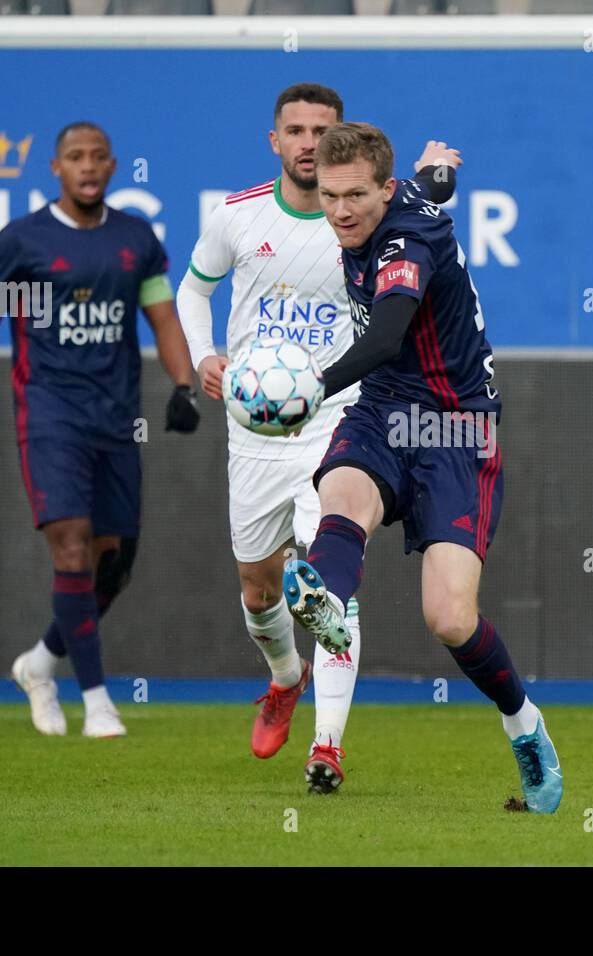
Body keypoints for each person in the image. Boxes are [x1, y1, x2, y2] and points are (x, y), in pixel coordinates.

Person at [176, 83, 459, 792]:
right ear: (275, 140)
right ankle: (284, 677)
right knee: (257, 587)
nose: (308, 142)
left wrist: (432, 178)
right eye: (295, 130)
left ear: (342, 144)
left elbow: (409, 212)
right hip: (253, 433)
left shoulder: (362, 221)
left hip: (337, 420)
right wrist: (204, 356)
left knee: (334, 582)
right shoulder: (236, 218)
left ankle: (326, 746)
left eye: (321, 130)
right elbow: (191, 290)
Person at [282, 122, 562, 812]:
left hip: (455, 427)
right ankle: (329, 604)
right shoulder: (392, 195)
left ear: (384, 190)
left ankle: (524, 723)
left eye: (355, 197)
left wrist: (312, 384)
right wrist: (439, 170)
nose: (340, 211)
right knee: (342, 493)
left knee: (449, 617)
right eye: (328, 195)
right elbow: (428, 187)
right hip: (383, 410)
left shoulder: (409, 239)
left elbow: (385, 335)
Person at [0, 122, 200, 739]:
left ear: (114, 164)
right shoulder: (23, 242)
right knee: (71, 543)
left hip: (116, 422)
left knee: (113, 566)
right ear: (55, 168)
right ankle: (98, 701)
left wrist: (183, 386)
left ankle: (41, 663)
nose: (88, 166)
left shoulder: (136, 239)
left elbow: (163, 317)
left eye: (99, 156)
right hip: (50, 416)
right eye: (76, 157)